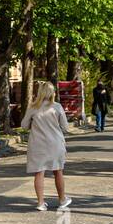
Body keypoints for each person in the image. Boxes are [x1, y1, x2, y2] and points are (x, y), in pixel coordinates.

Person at [20, 81, 72, 212]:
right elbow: (65, 128)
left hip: (38, 144)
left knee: (39, 172)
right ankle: (62, 199)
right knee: (58, 171)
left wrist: (34, 123)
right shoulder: (57, 107)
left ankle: (40, 202)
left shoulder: (33, 107)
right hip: (55, 143)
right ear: (52, 93)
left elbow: (24, 125)